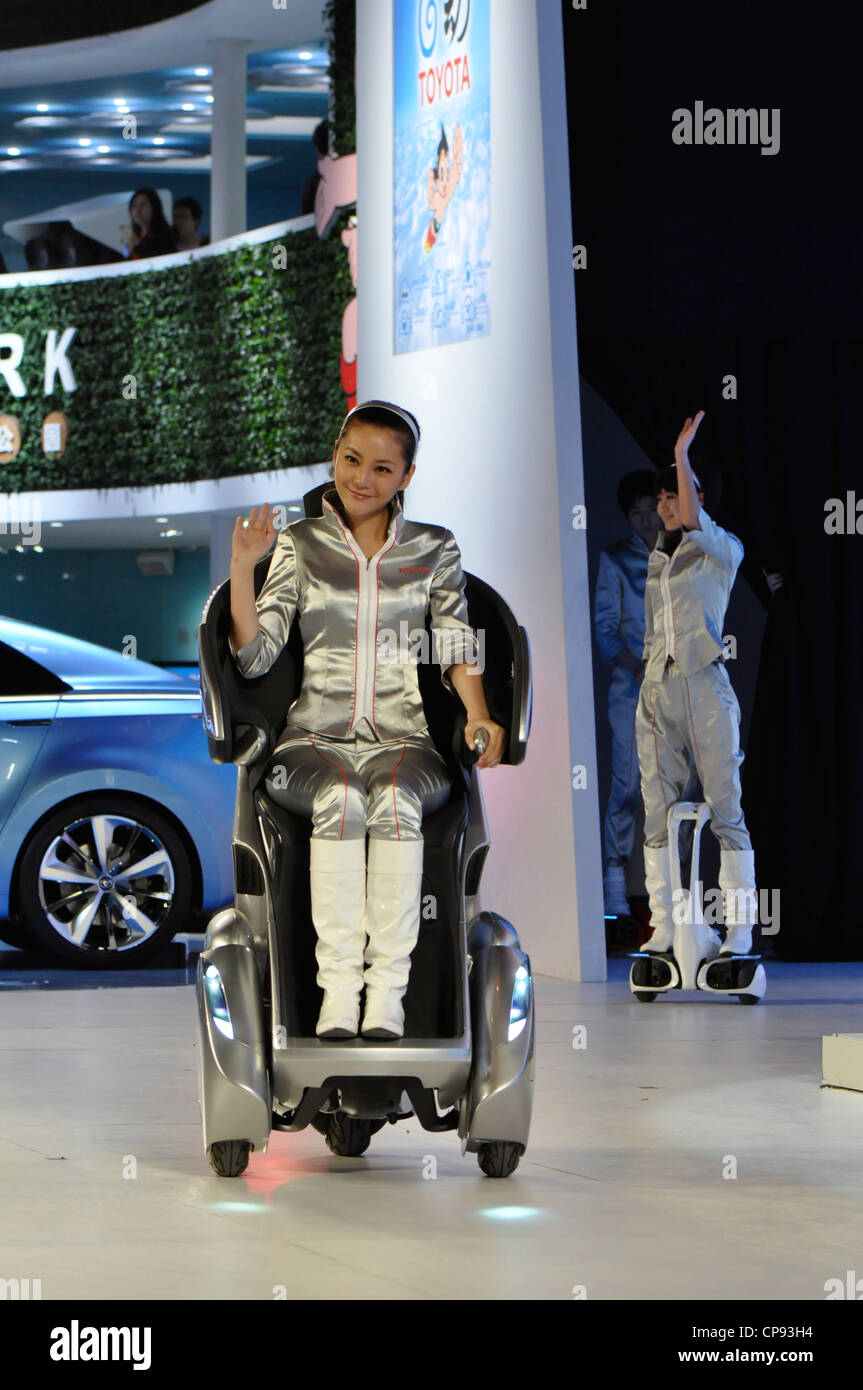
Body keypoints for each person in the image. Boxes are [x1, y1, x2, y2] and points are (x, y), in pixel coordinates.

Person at [228, 400, 506, 1040]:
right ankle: (337, 995)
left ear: (406, 476)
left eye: (382, 468)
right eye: (352, 460)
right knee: (343, 795)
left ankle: (387, 997)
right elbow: (254, 655)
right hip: (311, 745)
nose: (362, 478)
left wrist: (479, 715)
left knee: (395, 801)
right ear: (335, 454)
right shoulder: (300, 544)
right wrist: (245, 566)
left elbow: (455, 641)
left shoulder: (434, 549)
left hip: (406, 742)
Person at [636, 412, 757, 956]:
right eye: (660, 497)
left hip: (704, 684)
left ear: (701, 498)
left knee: (724, 807)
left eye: (675, 494)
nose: (665, 505)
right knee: (656, 806)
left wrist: (683, 454)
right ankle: (666, 922)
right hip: (656, 689)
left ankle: (738, 929)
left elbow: (692, 515)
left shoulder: (723, 549)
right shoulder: (659, 556)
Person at [594, 471, 662, 918]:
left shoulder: (681, 553)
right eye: (635, 514)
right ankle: (614, 879)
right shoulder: (616, 559)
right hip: (631, 688)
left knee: (671, 786)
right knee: (626, 784)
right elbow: (605, 627)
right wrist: (636, 667)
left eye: (650, 511)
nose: (645, 521)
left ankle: (665, 888)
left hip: (675, 688)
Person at [124, 189, 177, 259]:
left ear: (154, 207)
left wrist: (138, 246)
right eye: (134, 206)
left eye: (143, 205)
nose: (138, 210)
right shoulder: (134, 236)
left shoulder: (165, 235)